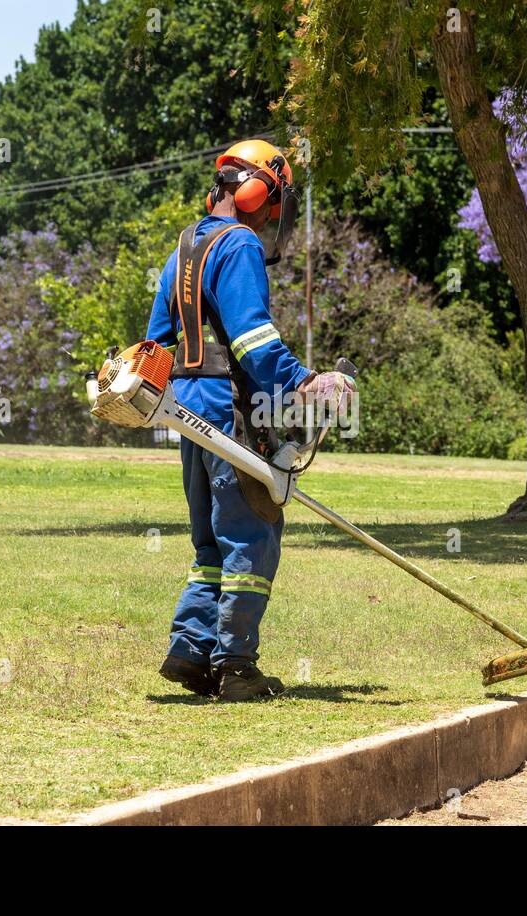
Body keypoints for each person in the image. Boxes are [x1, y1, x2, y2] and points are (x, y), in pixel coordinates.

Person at [143, 139, 354, 701]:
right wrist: (306, 384)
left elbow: (155, 345)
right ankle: (236, 667)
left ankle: (190, 651)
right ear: (257, 191)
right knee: (251, 533)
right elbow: (255, 342)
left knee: (209, 541)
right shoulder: (237, 246)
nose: (272, 218)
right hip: (229, 407)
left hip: (186, 410)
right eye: (273, 203)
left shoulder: (184, 247)